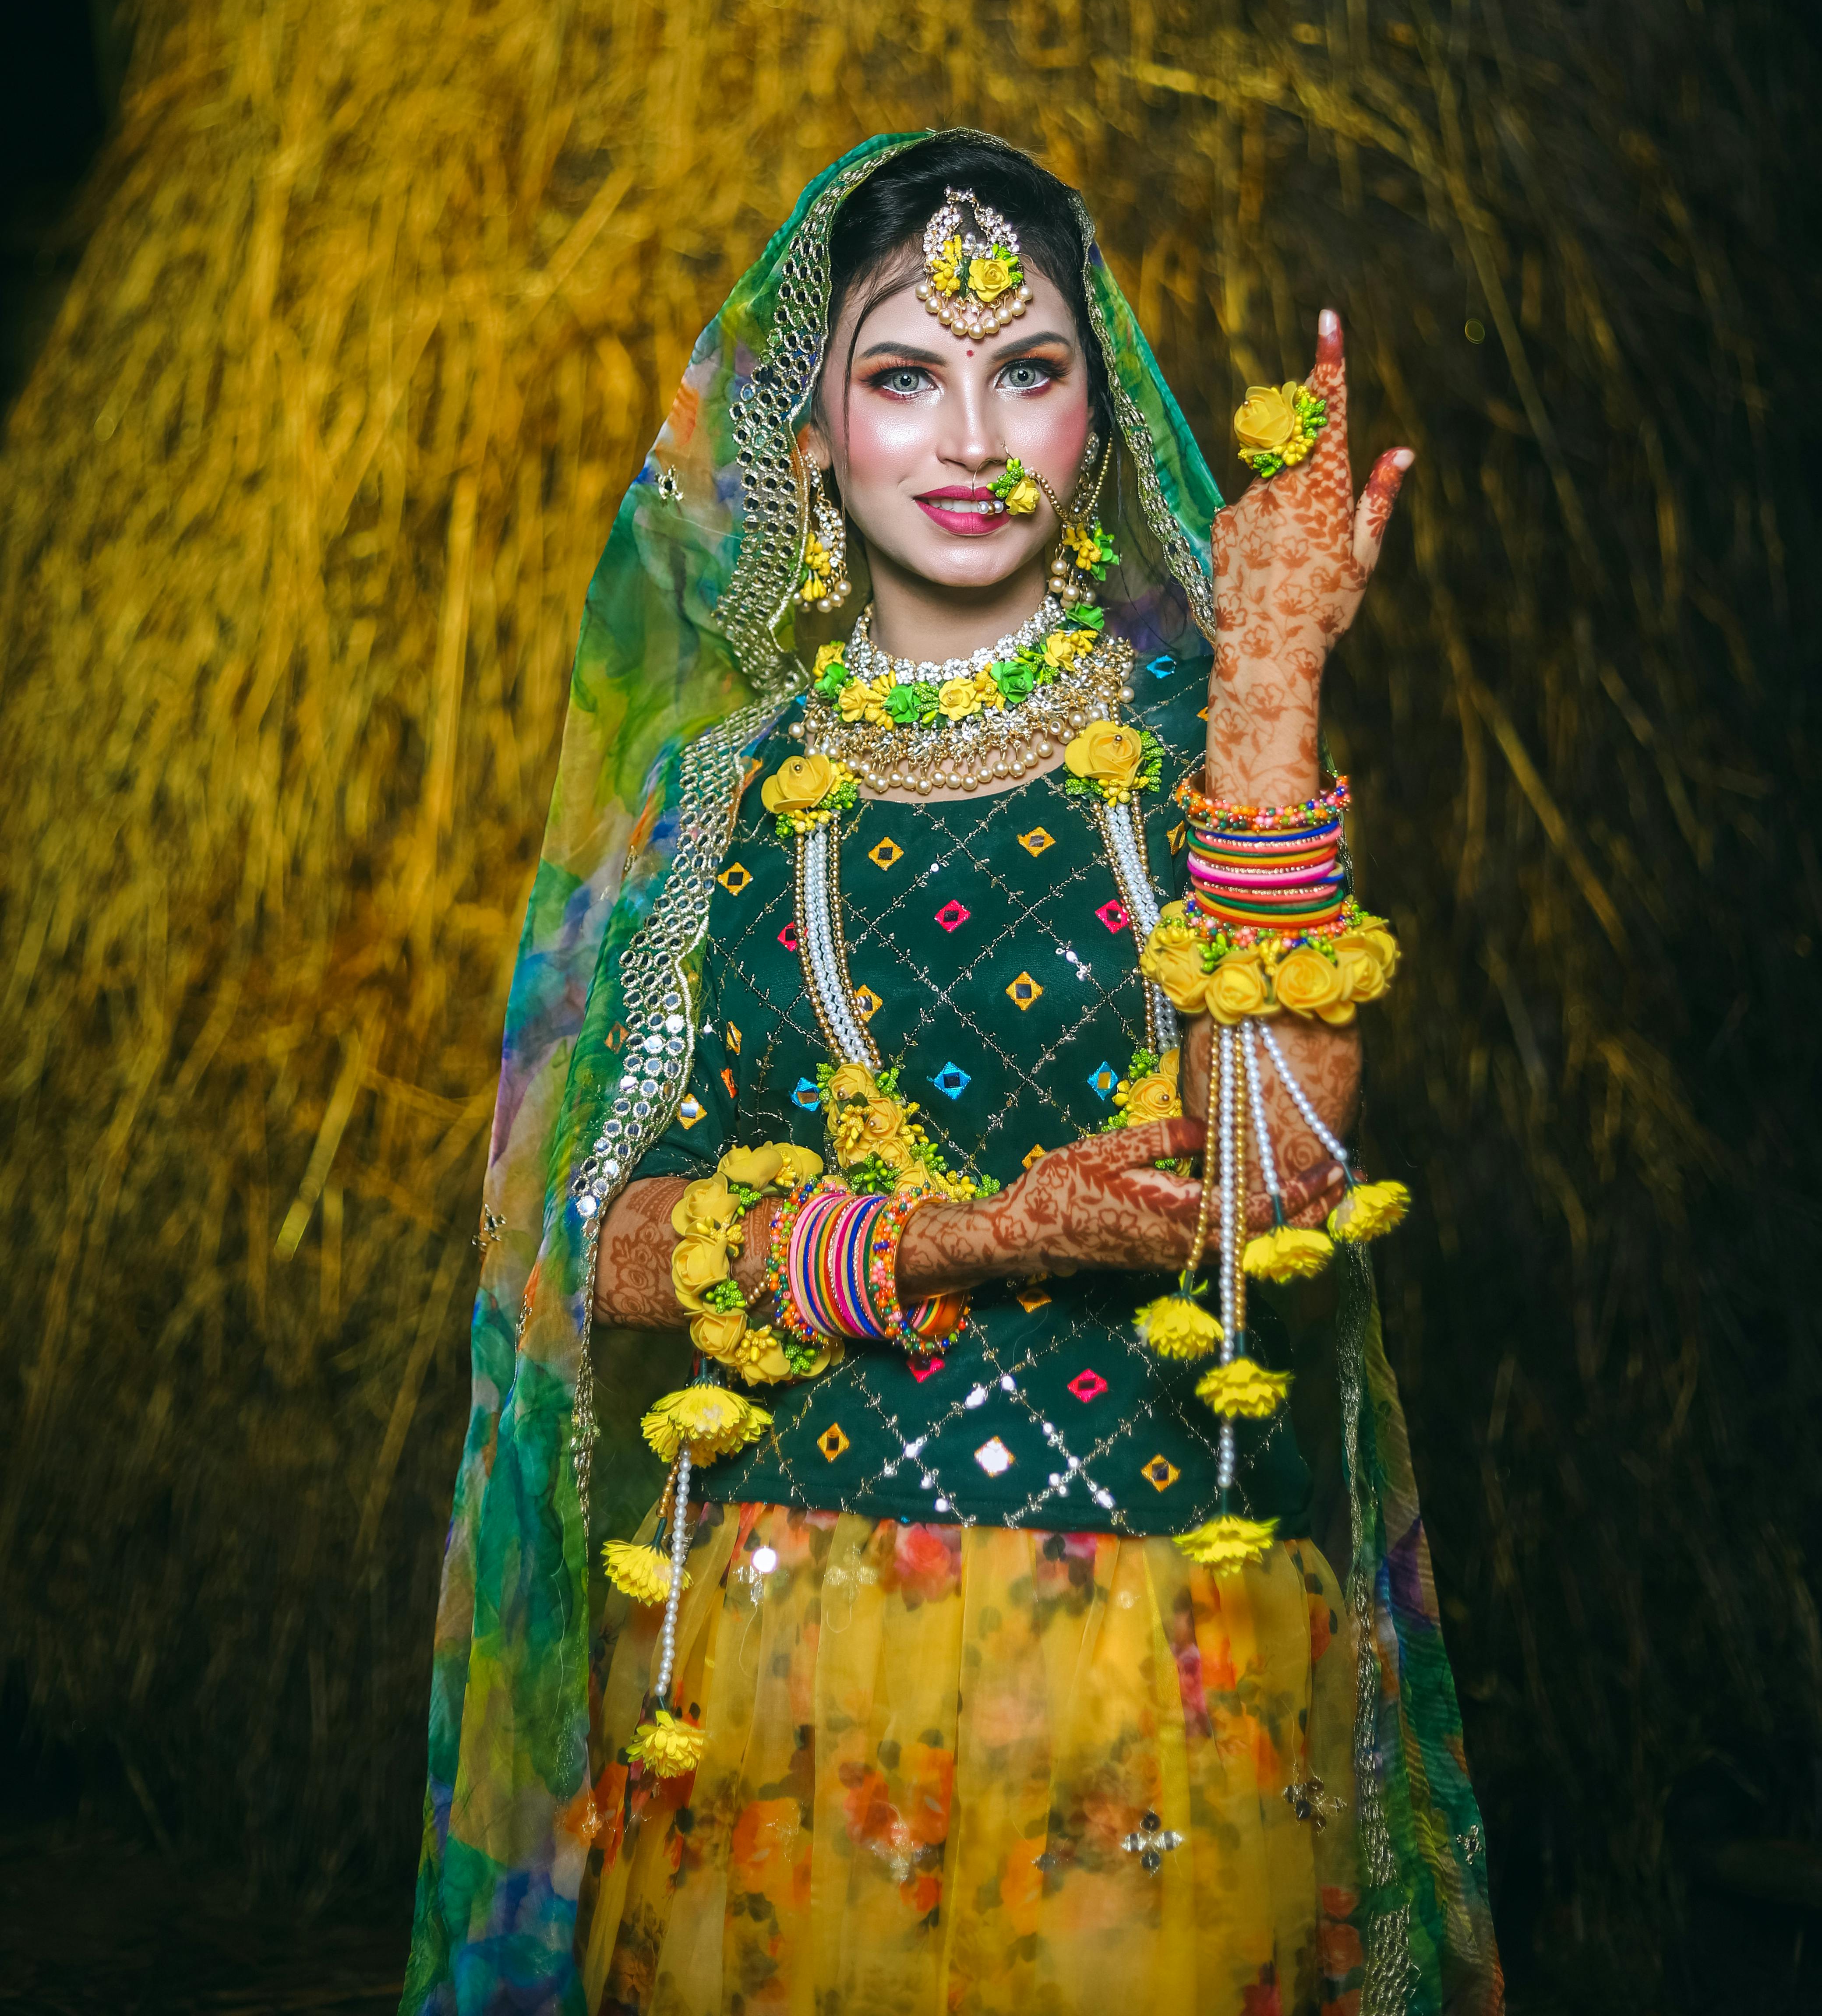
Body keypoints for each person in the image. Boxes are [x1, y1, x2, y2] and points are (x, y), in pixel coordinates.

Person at [400, 130, 1501, 2016]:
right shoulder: (717, 799)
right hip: (778, 1670)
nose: (973, 437)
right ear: (809, 434)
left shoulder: (1200, 751)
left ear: (1096, 421)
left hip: (1158, 1654)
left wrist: (1271, 672)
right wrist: (961, 1237)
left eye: (1030, 372)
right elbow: (589, 1244)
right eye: (904, 375)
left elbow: (1282, 1175)